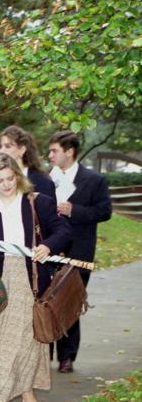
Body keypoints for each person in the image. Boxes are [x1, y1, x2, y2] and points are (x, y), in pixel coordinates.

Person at [0, 153, 71, 402]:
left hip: (30, 278)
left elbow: (64, 231)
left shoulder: (37, 202)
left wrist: (47, 246)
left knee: (24, 338)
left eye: (10, 178)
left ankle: (1, 398)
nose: (6, 185)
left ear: (18, 175)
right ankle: (20, 392)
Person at [47, 131, 112, 373]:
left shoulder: (94, 180)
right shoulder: (47, 178)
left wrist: (75, 210)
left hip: (79, 251)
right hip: (50, 248)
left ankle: (67, 356)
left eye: (54, 150)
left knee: (70, 301)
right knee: (45, 301)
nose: (50, 155)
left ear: (69, 151)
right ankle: (44, 353)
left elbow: (105, 212)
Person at [0, 125, 56, 200]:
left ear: (22, 150)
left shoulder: (42, 182)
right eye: (1, 146)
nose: (1, 151)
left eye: (7, 146)